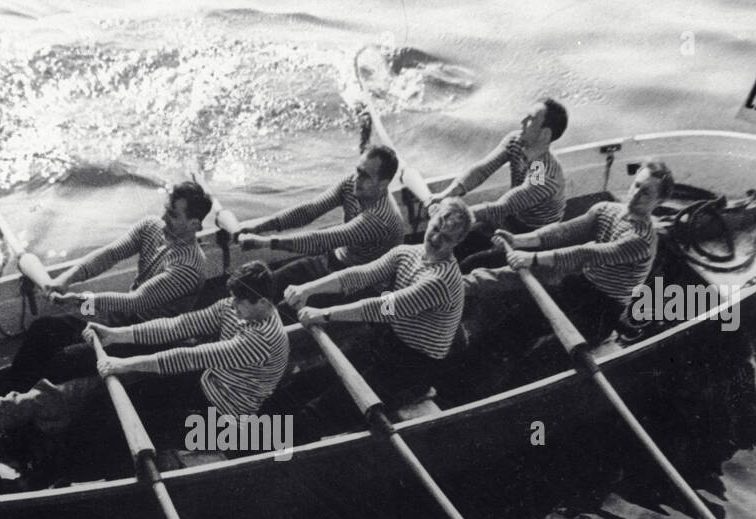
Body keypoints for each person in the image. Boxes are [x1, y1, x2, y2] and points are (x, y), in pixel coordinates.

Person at [286, 197, 473, 436]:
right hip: (388, 341)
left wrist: (325, 314)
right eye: (436, 228)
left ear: (458, 241)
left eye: (446, 237)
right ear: (431, 220)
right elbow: (361, 274)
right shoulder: (408, 253)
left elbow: (384, 307)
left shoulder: (439, 281)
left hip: (412, 367)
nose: (436, 239)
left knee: (321, 411)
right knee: (307, 382)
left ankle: (257, 451)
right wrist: (308, 289)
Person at [9, 181, 212, 388]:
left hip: (148, 338)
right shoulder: (151, 227)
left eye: (173, 215)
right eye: (166, 211)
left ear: (194, 224)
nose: (163, 219)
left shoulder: (190, 268)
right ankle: (10, 395)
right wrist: (64, 280)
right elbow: (110, 254)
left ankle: (26, 408)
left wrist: (79, 301)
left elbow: (135, 302)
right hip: (121, 317)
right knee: (43, 329)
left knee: (64, 360)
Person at [462, 161, 673, 347]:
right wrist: (517, 240)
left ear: (659, 201)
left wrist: (532, 258)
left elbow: (586, 254)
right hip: (577, 287)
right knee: (516, 323)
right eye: (637, 185)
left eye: (646, 192)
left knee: (544, 355)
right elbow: (563, 231)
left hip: (601, 311)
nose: (636, 194)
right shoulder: (607, 209)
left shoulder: (642, 240)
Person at [86, 262, 290, 444]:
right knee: (126, 400)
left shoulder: (262, 340)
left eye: (240, 301)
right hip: (206, 384)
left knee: (143, 426)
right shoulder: (233, 306)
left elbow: (192, 357)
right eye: (233, 298)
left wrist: (122, 365)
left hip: (226, 420)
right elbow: (178, 326)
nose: (232, 304)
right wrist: (114, 335)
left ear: (263, 303)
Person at [234, 146, 406, 297]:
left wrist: (263, 243)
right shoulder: (352, 183)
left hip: (366, 285)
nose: (356, 179)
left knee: (287, 306)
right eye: (358, 171)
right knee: (269, 285)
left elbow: (321, 240)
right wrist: (259, 226)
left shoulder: (379, 219)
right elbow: (309, 211)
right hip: (334, 261)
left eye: (365, 176)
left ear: (384, 184)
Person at [427, 98, 568, 266]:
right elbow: (483, 169)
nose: (522, 121)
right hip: (509, 221)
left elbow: (502, 207)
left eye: (530, 119)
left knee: (470, 264)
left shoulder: (542, 172)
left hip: (533, 238)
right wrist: (447, 194)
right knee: (458, 246)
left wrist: (451, 215)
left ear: (545, 134)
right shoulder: (516, 141)